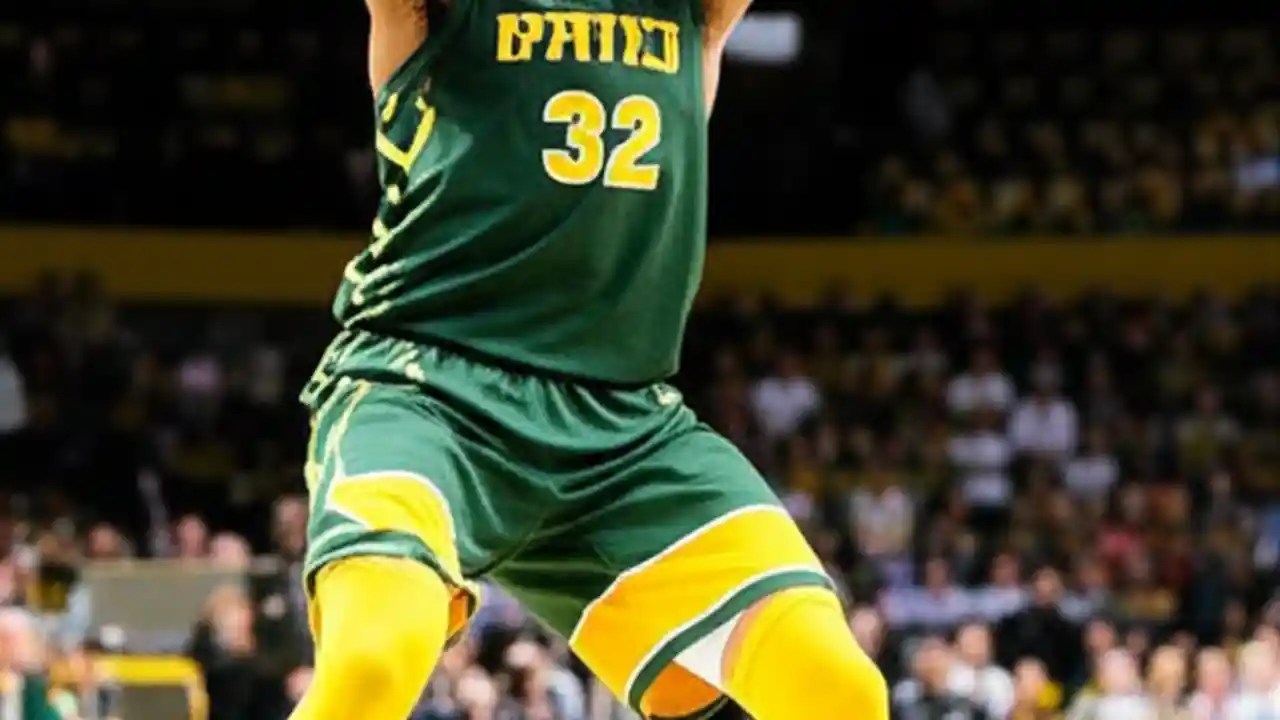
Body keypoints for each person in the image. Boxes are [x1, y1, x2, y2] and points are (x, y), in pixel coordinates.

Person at [286, 0, 888, 719]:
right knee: (373, 660)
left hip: (624, 426)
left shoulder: (691, 14)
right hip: (428, 390)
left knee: (839, 691)